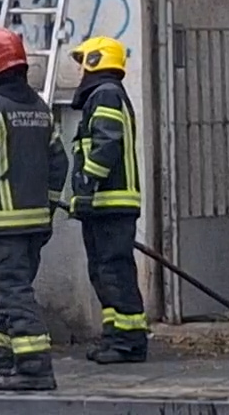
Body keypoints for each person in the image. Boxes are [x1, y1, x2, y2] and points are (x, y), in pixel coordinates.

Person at [0, 27, 69, 391]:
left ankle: (34, 367)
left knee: (13, 293)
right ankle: (1, 357)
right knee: (12, 289)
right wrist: (48, 207)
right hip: (35, 222)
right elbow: (60, 163)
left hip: (2, 223)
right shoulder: (39, 108)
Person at [67, 35, 149, 364]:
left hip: (110, 203)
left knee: (114, 272)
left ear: (95, 61)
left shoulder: (105, 94)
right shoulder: (106, 94)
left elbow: (106, 143)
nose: (79, 71)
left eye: (83, 62)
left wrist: (87, 183)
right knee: (104, 272)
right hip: (105, 204)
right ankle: (116, 336)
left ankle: (128, 341)